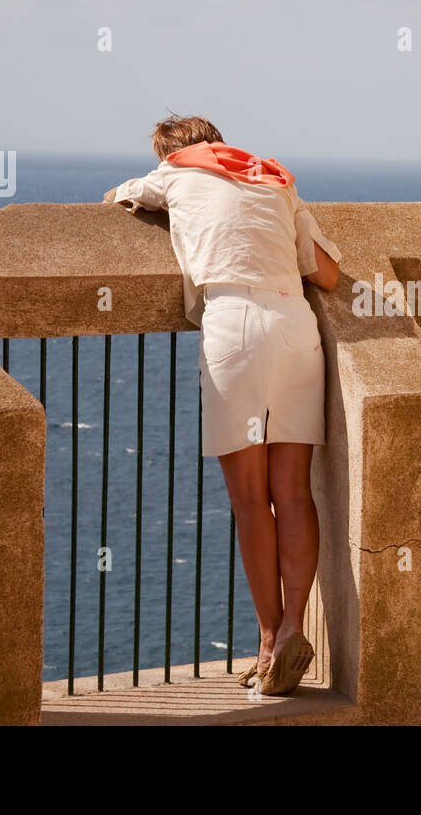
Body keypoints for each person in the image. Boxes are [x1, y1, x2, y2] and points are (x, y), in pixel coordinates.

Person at [103, 115, 341, 695]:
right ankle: (292, 627)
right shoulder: (274, 179)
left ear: (171, 152)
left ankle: (266, 640)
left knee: (250, 502)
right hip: (294, 324)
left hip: (232, 326)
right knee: (292, 492)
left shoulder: (174, 175)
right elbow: (328, 275)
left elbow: (118, 197)